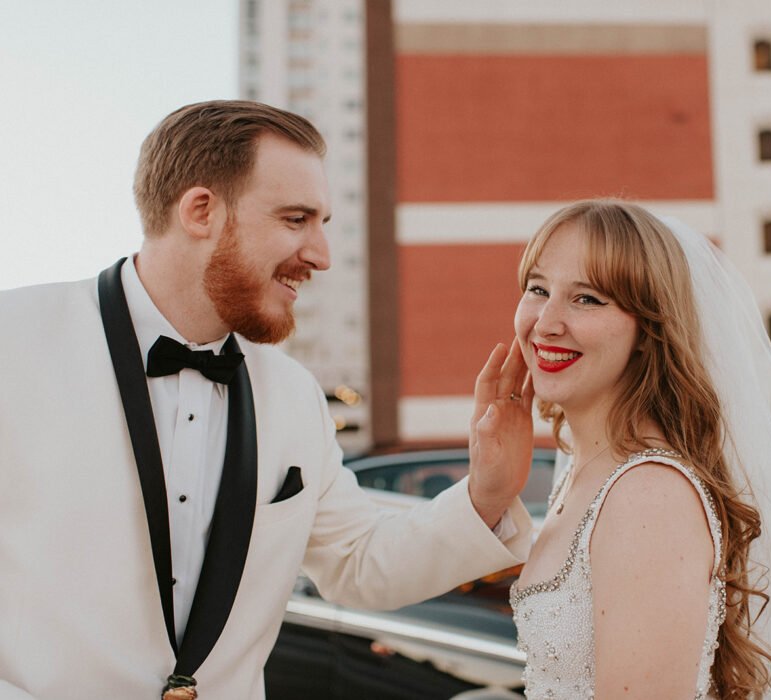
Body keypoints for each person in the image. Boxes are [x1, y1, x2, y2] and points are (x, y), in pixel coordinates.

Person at [0, 100, 536, 700]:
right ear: (201, 210)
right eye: (296, 219)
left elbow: (358, 563)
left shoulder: (293, 395)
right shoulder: (11, 342)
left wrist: (487, 490)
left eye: (323, 223)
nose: (321, 255)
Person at [504, 199, 771, 698]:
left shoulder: (647, 495)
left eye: (586, 299)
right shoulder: (587, 470)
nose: (545, 321)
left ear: (646, 327)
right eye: (538, 289)